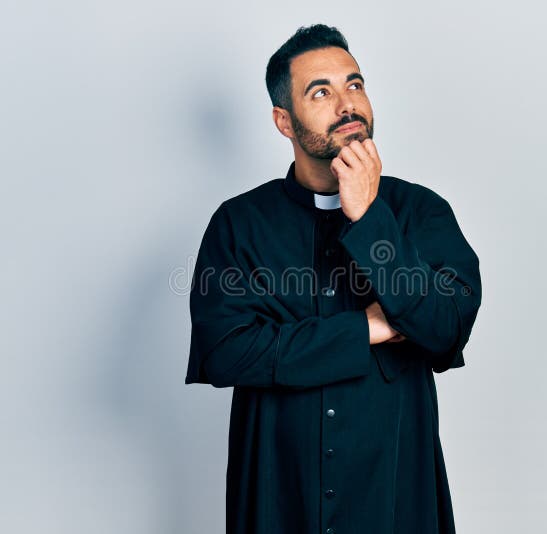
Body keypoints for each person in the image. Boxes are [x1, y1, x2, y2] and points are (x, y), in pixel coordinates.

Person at [185, 23, 482, 534]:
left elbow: (446, 326)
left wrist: (369, 218)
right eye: (320, 91)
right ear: (284, 120)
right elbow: (224, 352)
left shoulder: (420, 212)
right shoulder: (239, 225)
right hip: (280, 499)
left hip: (393, 499)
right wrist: (363, 330)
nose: (347, 103)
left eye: (355, 84)